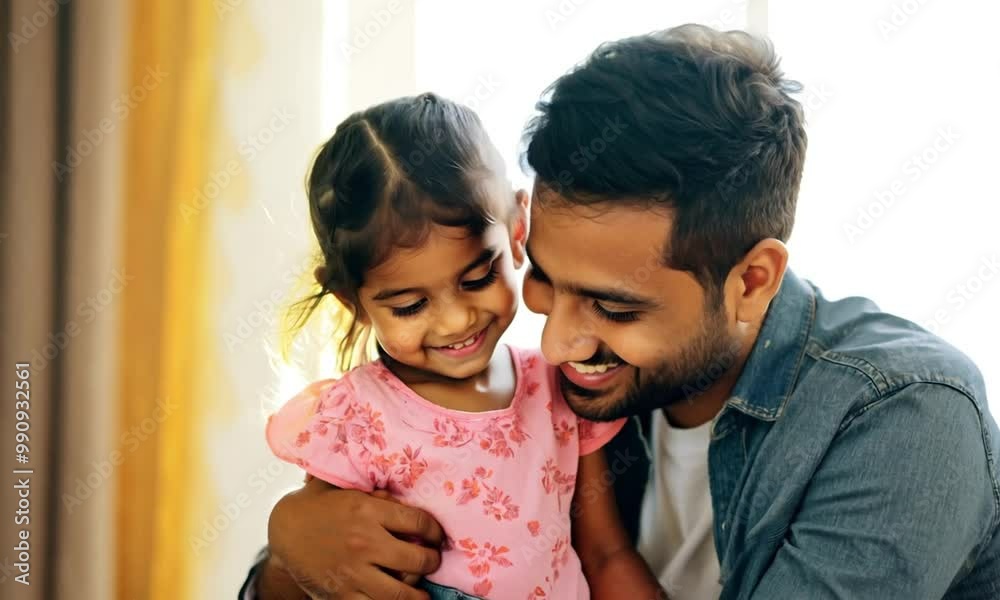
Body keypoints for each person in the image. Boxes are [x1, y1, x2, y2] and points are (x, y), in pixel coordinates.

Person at [244, 25, 1000, 599]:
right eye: (543, 277)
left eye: (611, 306)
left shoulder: (906, 419)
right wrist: (290, 551)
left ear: (751, 280)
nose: (562, 341)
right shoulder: (562, 391)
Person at [259, 93, 664, 600]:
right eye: (409, 306)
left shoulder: (558, 389)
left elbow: (606, 555)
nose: (455, 321)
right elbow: (316, 570)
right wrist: (286, 535)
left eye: (477, 278)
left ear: (518, 231)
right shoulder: (356, 418)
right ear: (352, 300)